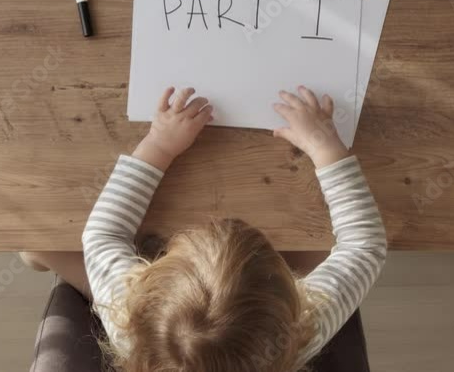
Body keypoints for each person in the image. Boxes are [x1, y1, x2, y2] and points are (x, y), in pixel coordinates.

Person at [23, 86, 386, 371]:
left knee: (33, 249)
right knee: (318, 246)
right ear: (292, 300)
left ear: (147, 288)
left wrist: (158, 145)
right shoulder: (304, 328)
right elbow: (364, 246)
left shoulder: (130, 326)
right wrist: (325, 147)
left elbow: (101, 235)